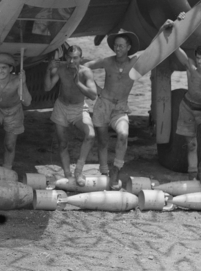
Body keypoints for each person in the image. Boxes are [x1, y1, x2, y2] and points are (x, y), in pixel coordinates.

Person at [163, 21, 201, 183]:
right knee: (191, 145)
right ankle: (192, 177)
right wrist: (173, 28)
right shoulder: (190, 67)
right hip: (187, 108)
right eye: (198, 58)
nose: (200, 62)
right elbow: (176, 48)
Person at [84, 32, 140, 190]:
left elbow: (156, 51)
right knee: (102, 142)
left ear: (129, 47)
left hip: (121, 108)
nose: (118, 48)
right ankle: (103, 173)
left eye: (121, 45)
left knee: (123, 135)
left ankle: (116, 170)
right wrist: (96, 88)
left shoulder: (135, 62)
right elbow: (86, 66)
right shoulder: (107, 61)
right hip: (103, 105)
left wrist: (164, 28)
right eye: (116, 45)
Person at [44, 45, 97, 184]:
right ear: (65, 58)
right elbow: (47, 87)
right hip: (61, 107)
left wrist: (78, 83)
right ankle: (67, 175)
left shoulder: (86, 73)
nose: (71, 61)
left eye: (75, 58)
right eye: (69, 58)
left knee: (90, 135)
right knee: (62, 144)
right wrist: (48, 69)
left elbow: (93, 95)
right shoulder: (62, 69)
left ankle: (78, 171)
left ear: (81, 59)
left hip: (79, 109)